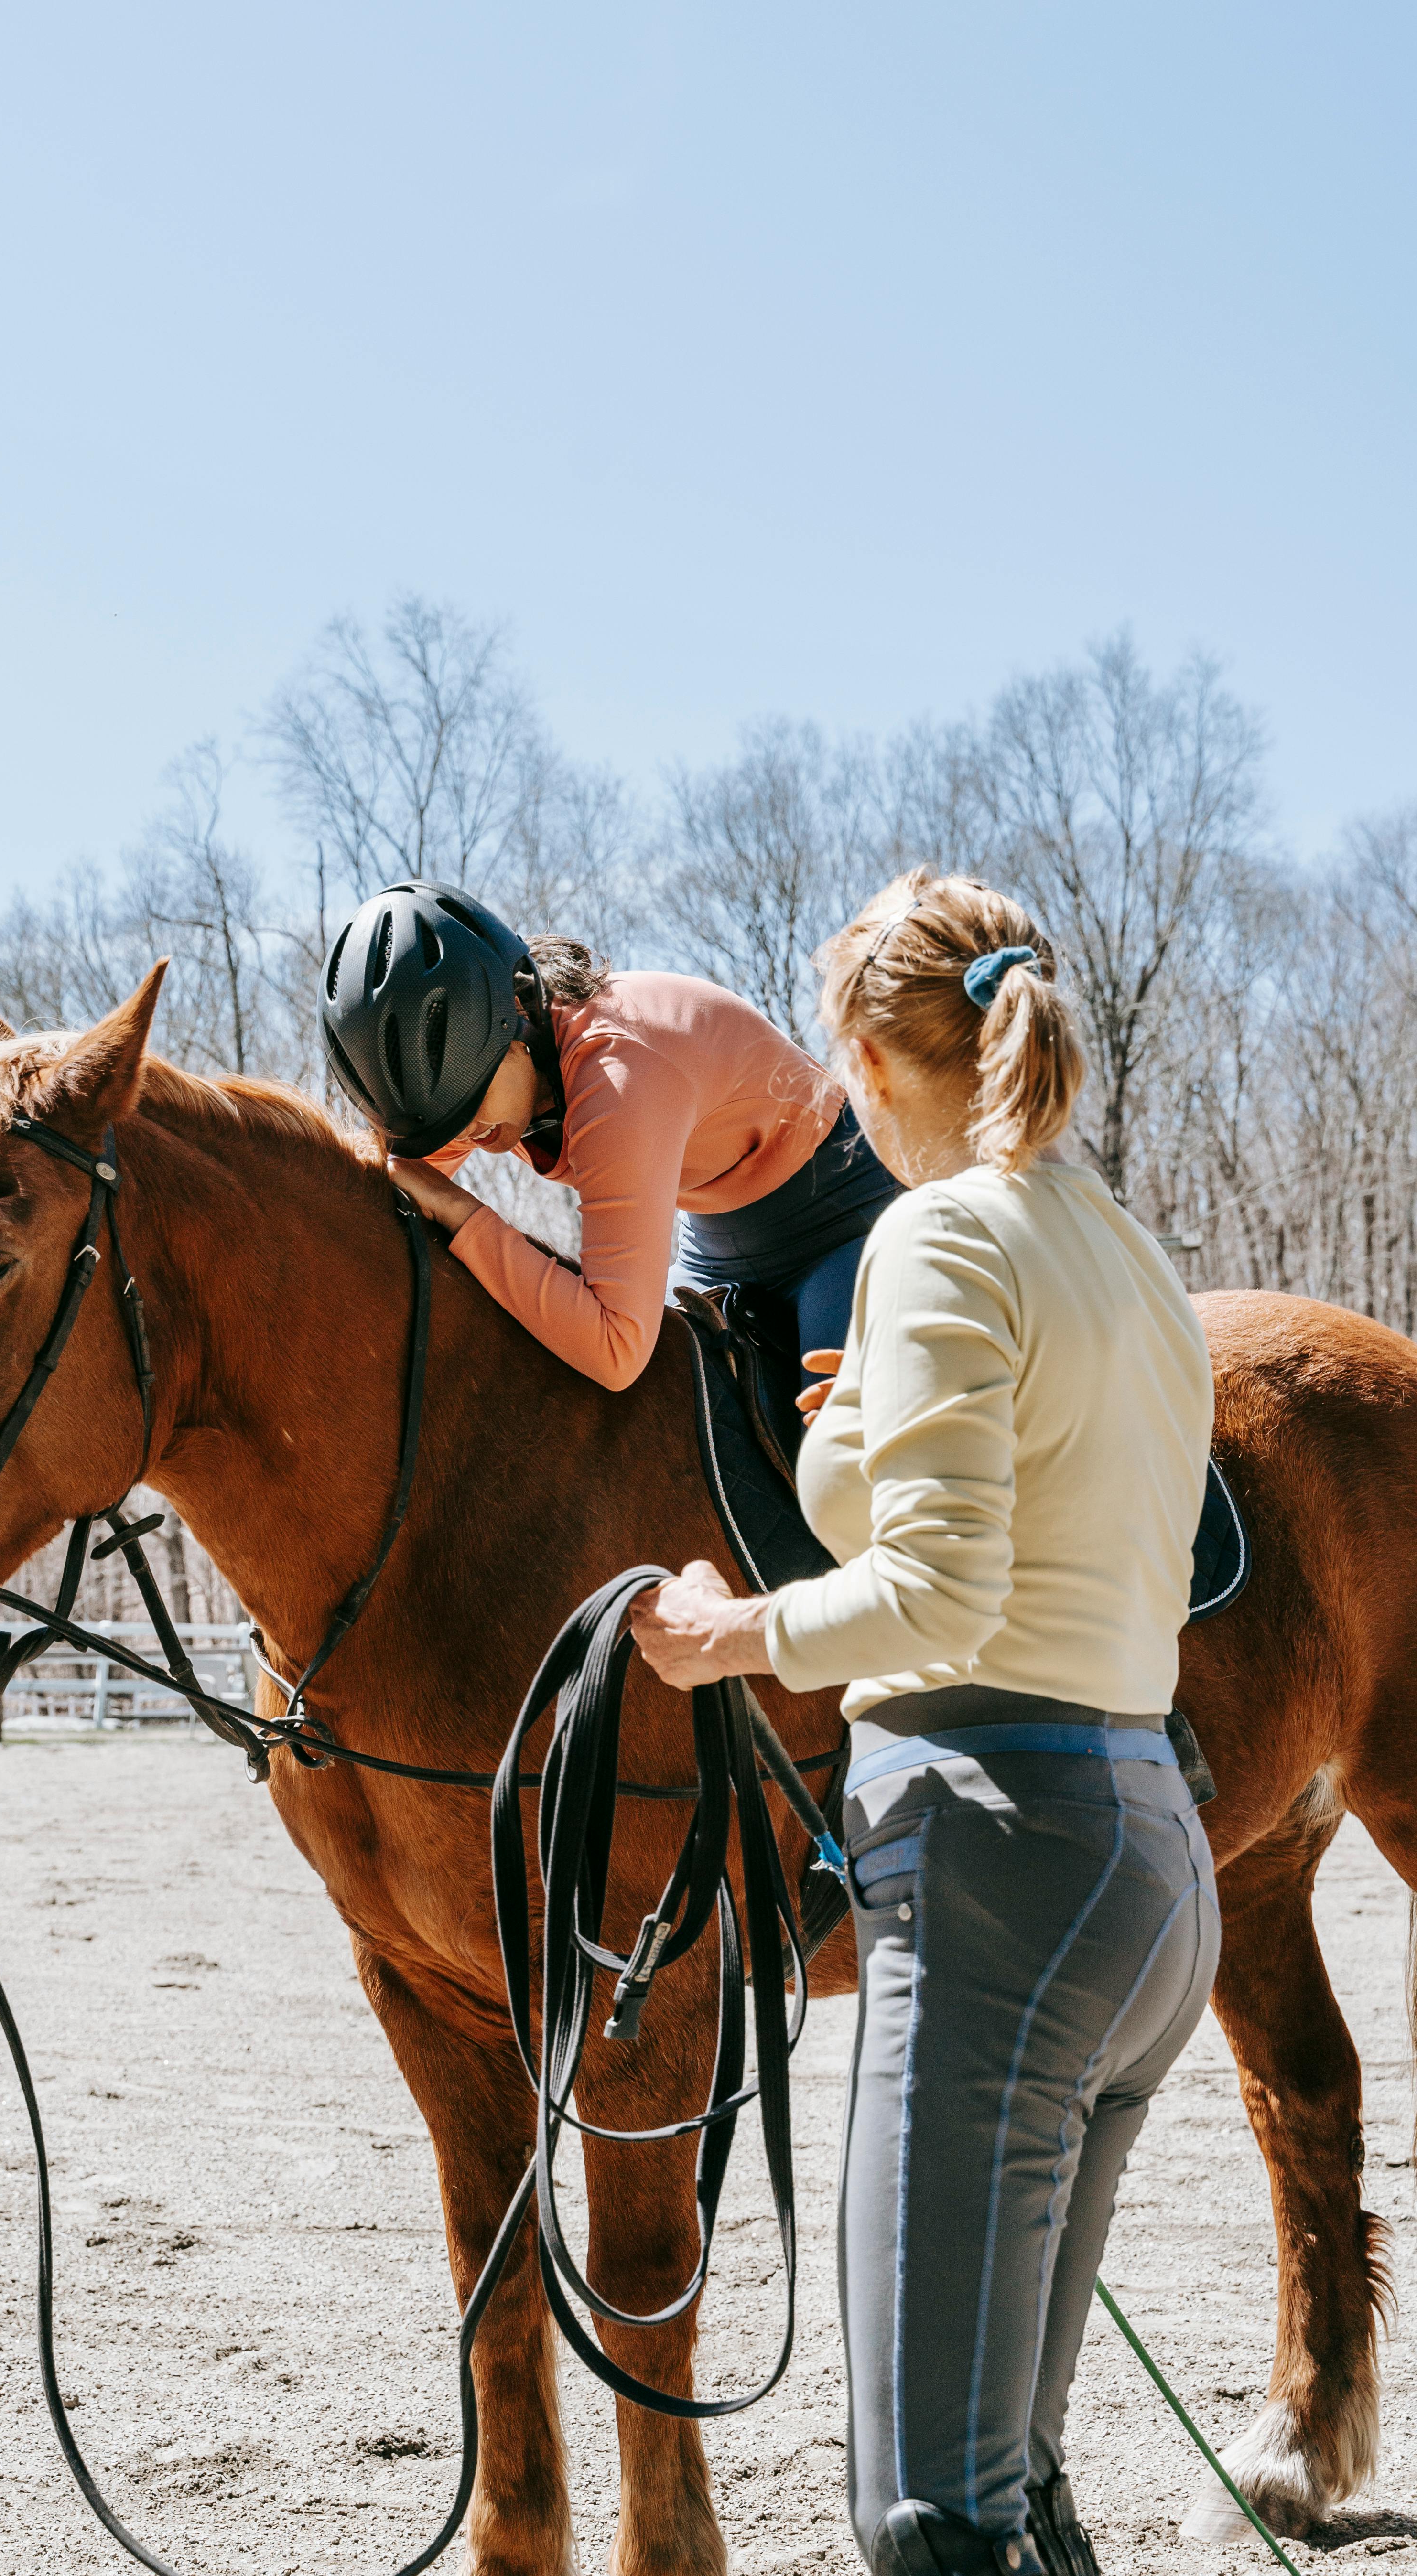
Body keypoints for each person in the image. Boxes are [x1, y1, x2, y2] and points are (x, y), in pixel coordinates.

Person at [627, 868, 1220, 2576]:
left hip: (992, 1861)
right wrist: (844, 1439)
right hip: (1140, 1861)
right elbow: (1079, 1551)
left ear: (867, 1072)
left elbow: (941, 1598)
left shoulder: (936, 1229)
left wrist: (726, 1631)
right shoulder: (1118, 1250)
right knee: (1010, 2489)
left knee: (926, 2517)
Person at [317, 878, 901, 1394]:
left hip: (845, 1226)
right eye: (444, 1124)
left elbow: (616, 1350)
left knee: (840, 1468)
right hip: (715, 1245)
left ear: (520, 1012)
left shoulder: (620, 1074)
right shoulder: (501, 1064)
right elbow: (379, 1199)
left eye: (470, 1104)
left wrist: (463, 1214)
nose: (468, 1134)